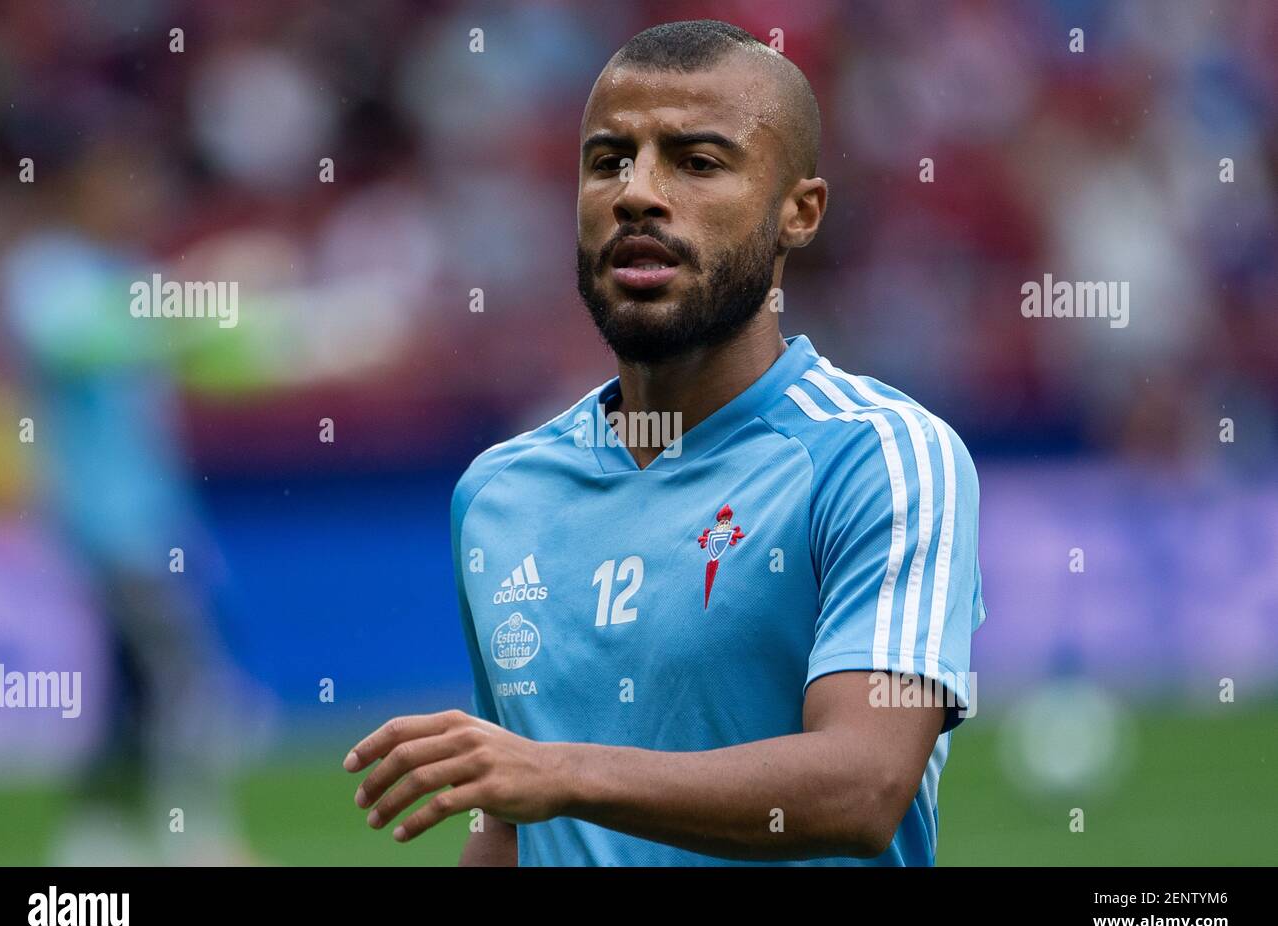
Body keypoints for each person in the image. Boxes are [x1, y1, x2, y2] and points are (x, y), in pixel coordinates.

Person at [346, 19, 986, 866]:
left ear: (800, 213)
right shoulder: (500, 492)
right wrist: (532, 788)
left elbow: (862, 787)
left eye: (696, 162)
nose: (636, 192)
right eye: (609, 159)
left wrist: (564, 772)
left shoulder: (880, 458)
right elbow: (514, 823)